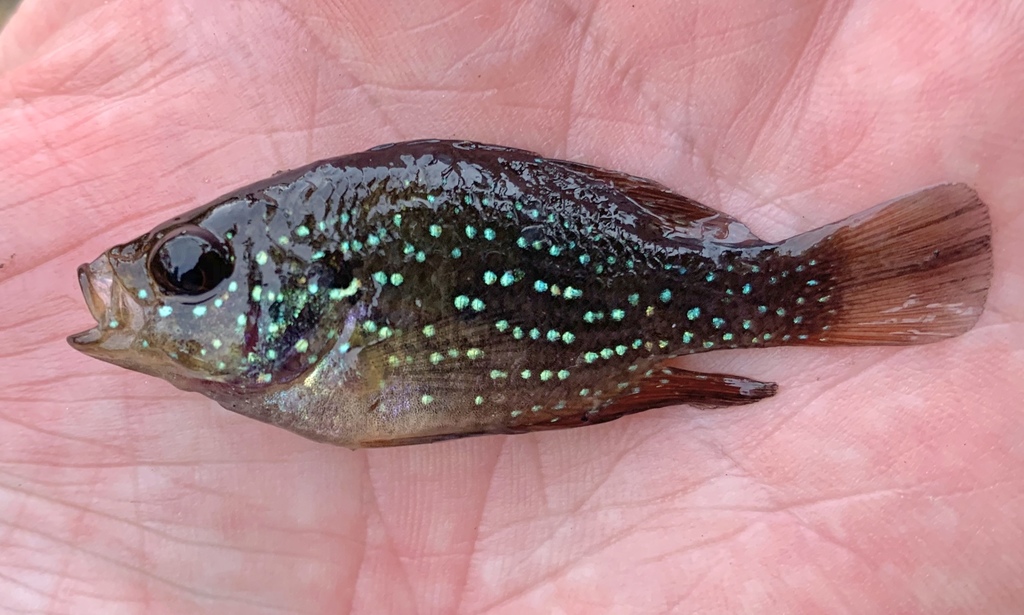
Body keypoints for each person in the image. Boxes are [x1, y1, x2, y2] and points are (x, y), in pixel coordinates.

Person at [0, 1, 1020, 612]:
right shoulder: (308, 381)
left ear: (315, 283)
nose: (135, 286)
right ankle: (816, 288)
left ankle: (823, 286)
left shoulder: (324, 372)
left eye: (189, 267)